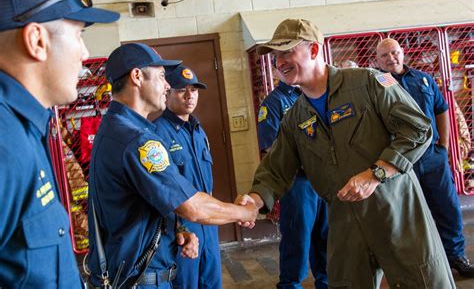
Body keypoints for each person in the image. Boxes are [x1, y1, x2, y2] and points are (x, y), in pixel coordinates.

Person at [236, 18, 455, 288]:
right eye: (276, 56)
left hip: (396, 209)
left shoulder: (368, 82)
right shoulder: (295, 117)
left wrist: (375, 174)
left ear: (314, 50)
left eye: (287, 52)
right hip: (343, 219)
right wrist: (254, 202)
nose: (280, 62)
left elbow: (417, 129)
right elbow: (275, 169)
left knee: (424, 281)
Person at [87, 43, 258, 288]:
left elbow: (144, 203)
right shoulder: (136, 139)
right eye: (161, 77)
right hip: (141, 279)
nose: (167, 85)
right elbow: (193, 207)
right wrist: (245, 212)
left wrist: (177, 230)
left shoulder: (116, 128)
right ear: (137, 76)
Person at [0, 0, 119, 287]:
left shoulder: (26, 128)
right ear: (37, 41)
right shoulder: (5, 144)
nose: (84, 53)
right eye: (78, 34)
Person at [376, 37, 474, 278]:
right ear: (376, 61)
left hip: (432, 158)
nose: (391, 58)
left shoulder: (423, 79)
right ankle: (419, 265)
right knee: (407, 214)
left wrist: (443, 145)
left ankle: (456, 256)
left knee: (447, 207)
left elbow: (442, 109)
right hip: (401, 162)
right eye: (385, 56)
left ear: (402, 53)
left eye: (395, 53)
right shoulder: (376, 84)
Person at [152, 65, 222, 289]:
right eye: (182, 90)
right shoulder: (157, 133)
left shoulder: (198, 130)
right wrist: (181, 228)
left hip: (208, 225)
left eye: (194, 89)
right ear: (168, 93)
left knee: (212, 283)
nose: (190, 95)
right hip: (181, 230)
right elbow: (162, 192)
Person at [257, 79, 328, 289]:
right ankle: (290, 284)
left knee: (326, 237)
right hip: (298, 182)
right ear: (278, 70)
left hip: (323, 179)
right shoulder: (273, 102)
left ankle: (326, 283)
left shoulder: (310, 94)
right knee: (298, 239)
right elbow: (270, 149)